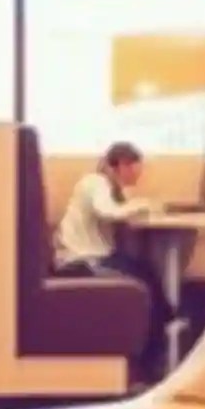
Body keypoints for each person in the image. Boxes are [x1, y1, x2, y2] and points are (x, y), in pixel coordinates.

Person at [52, 142, 168, 374]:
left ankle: (159, 340)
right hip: (84, 259)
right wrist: (145, 204)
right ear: (122, 165)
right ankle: (154, 352)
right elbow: (108, 211)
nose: (136, 177)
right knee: (147, 280)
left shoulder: (106, 186)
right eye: (135, 170)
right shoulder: (95, 182)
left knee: (147, 273)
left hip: (94, 255)